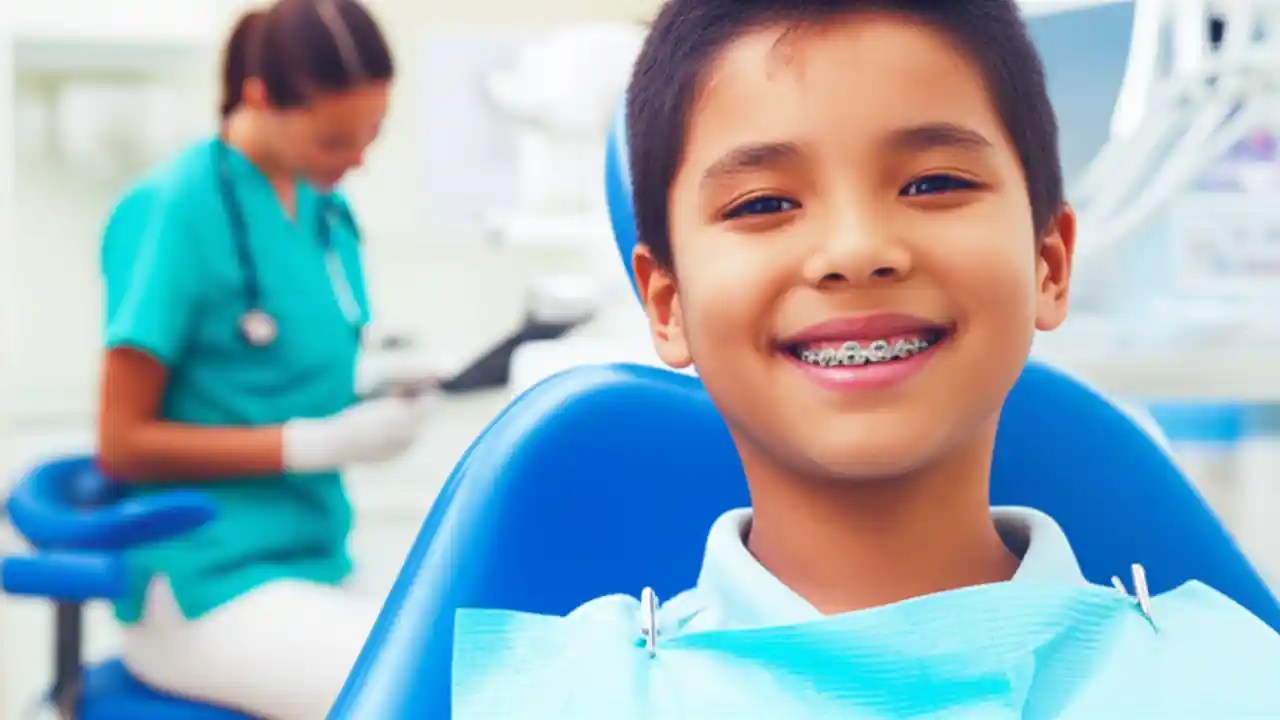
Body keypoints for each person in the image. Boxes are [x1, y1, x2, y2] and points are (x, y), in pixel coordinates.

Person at [455, 0, 1280, 715]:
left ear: (1048, 264)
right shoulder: (555, 700)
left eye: (932, 185)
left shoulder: (1236, 680)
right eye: (765, 203)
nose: (855, 251)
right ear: (667, 306)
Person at [97, 1, 433, 717]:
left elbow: (293, 365)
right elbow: (120, 444)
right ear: (258, 98)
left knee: (472, 654)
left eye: (371, 134)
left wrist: (389, 386)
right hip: (203, 579)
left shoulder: (325, 212)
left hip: (314, 559)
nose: (356, 159)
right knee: (414, 692)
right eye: (334, 137)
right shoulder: (174, 209)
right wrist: (306, 444)